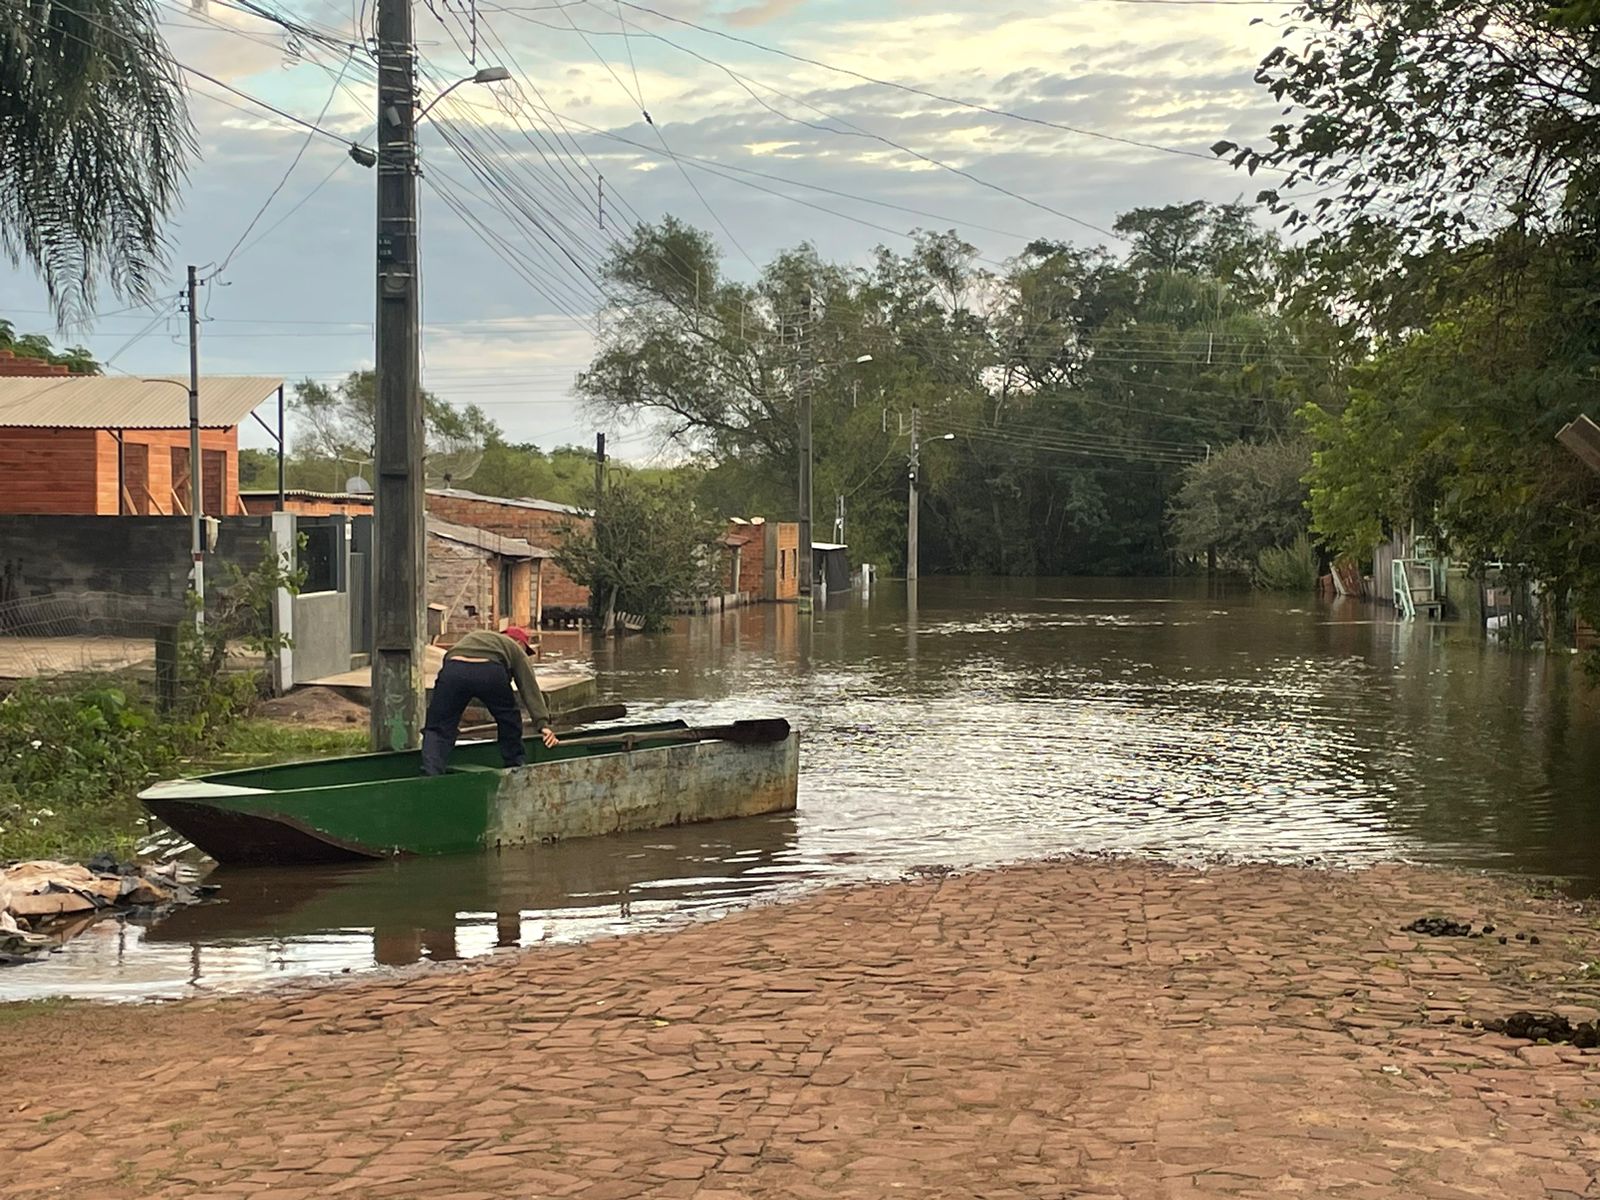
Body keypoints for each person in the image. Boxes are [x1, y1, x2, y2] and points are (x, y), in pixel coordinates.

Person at [421, 626, 558, 776]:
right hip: (489, 670)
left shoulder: (478, 637)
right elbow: (529, 687)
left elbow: (449, 661)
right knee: (509, 720)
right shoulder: (515, 648)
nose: (526, 654)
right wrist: (542, 724)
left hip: (453, 669)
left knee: (438, 728)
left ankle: (431, 773)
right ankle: (515, 767)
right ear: (520, 642)